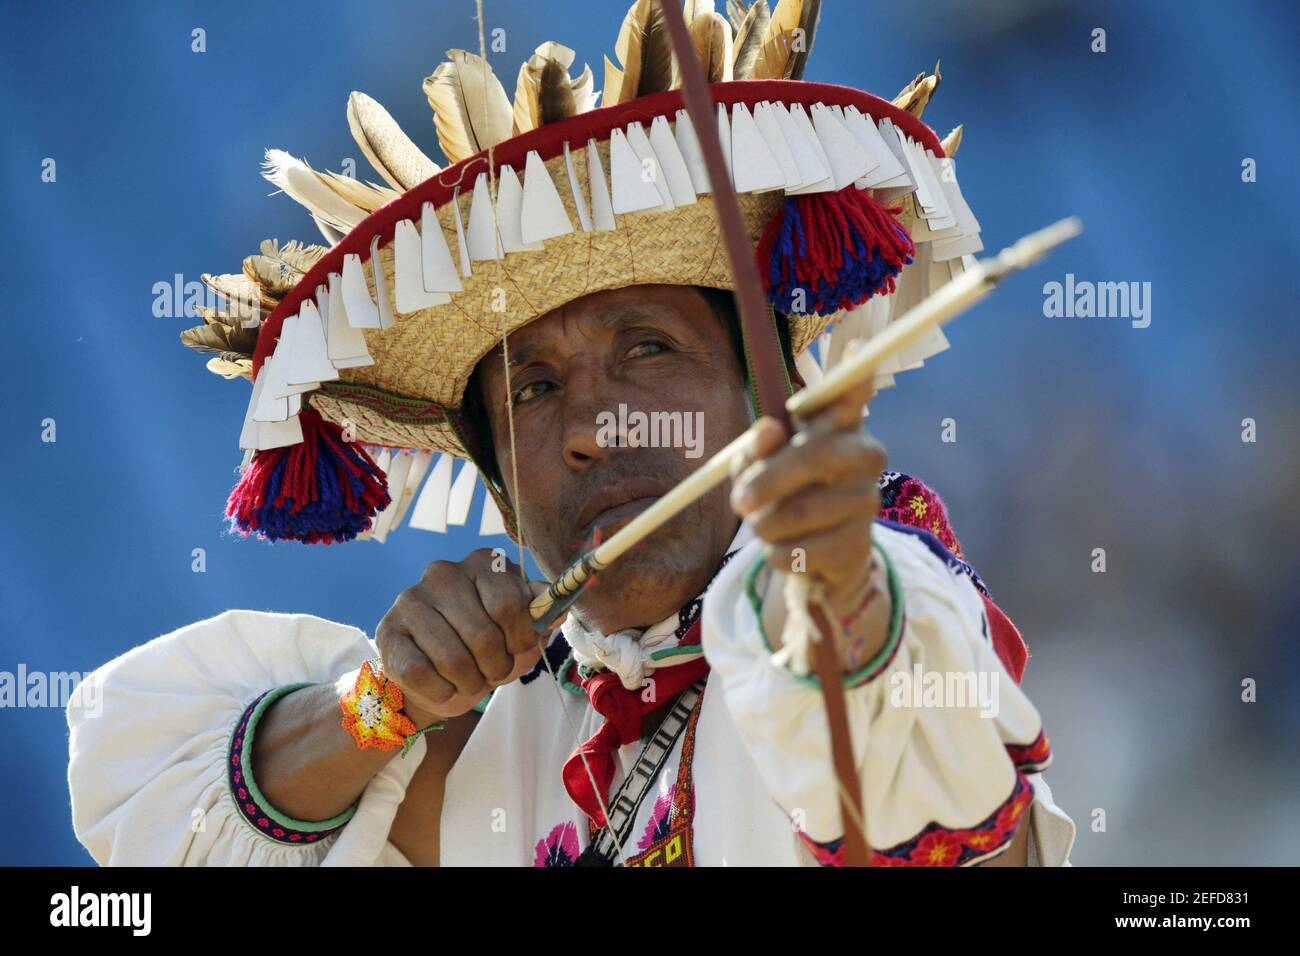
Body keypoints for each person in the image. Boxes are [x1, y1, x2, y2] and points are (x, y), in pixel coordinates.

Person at [66, 1, 1075, 867]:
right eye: (535, 387)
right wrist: (386, 700)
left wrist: (843, 588)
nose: (591, 427)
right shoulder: (489, 743)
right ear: (500, 489)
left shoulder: (884, 593)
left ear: (769, 401)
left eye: (645, 347)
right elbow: (157, 818)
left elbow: (912, 755)